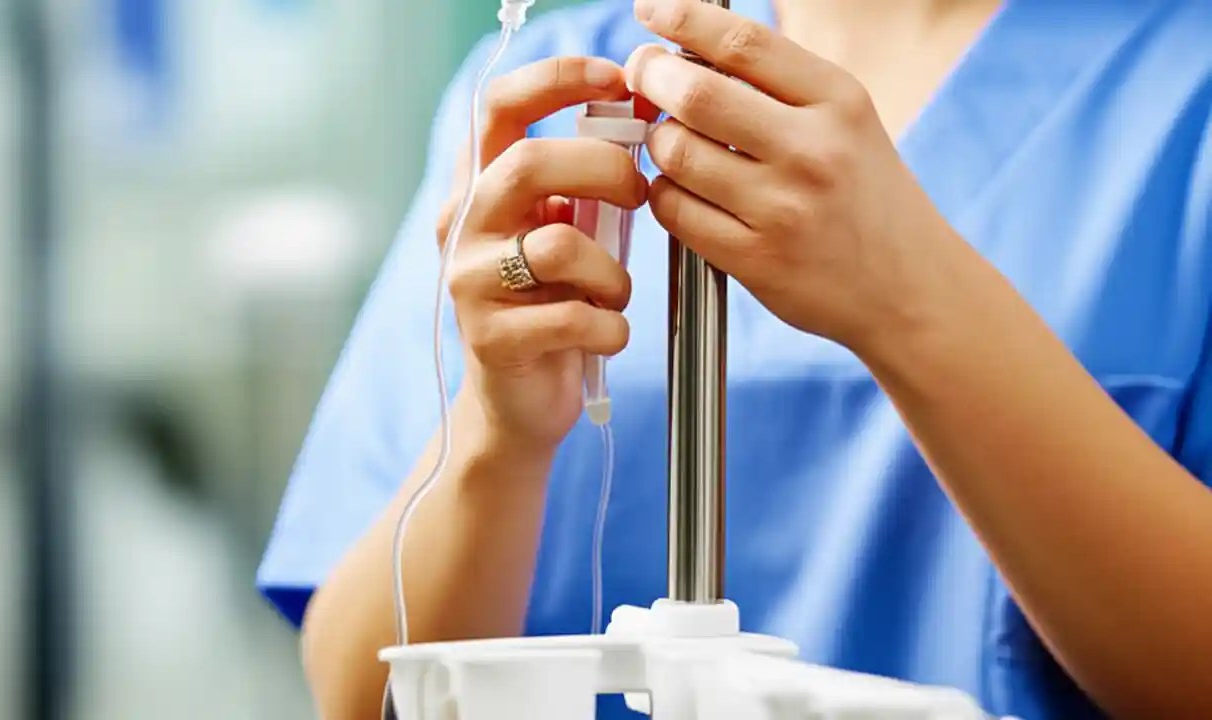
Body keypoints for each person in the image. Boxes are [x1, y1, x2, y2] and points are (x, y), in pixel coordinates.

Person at [256, 0, 1212, 717]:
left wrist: (914, 302)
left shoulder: (1181, 93)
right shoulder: (544, 86)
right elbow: (362, 696)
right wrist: (494, 435)